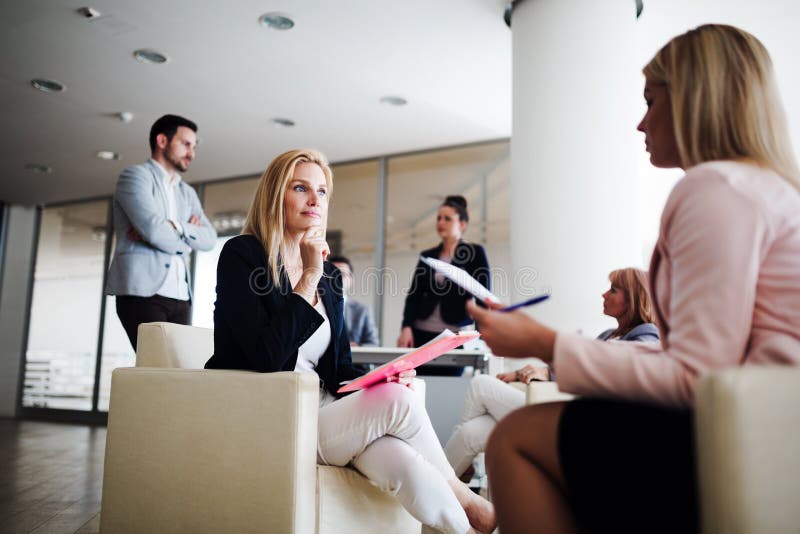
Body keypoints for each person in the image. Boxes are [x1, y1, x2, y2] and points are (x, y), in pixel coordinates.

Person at [467, 25, 800, 534]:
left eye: (650, 100)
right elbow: (707, 361)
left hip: (749, 440)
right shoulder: (770, 190)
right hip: (775, 433)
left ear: (693, 99)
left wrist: (546, 343)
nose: (640, 123)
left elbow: (696, 376)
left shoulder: (715, 188)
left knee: (513, 438)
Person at [204, 149, 495, 534]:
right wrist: (307, 277)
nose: (314, 200)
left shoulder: (329, 276)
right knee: (400, 404)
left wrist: (381, 377)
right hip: (274, 417)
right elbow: (266, 357)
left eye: (322, 192)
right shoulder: (243, 255)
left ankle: (468, 529)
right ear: (276, 195)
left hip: (324, 412)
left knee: (405, 464)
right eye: (301, 188)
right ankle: (468, 497)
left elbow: (339, 366)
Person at [445, 268, 658, 478]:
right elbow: (585, 369)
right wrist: (528, 372)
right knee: (468, 434)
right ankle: (432, 501)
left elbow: (616, 365)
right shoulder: (608, 335)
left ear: (633, 298)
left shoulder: (648, 336)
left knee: (480, 384)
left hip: (579, 425)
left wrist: (547, 346)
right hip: (570, 412)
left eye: (613, 290)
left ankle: (439, 489)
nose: (604, 294)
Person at [105, 114, 217, 350]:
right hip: (142, 292)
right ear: (162, 141)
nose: (192, 153)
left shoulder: (187, 192)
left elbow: (209, 239)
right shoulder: (135, 177)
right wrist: (187, 239)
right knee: (153, 368)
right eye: (186, 144)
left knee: (175, 373)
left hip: (181, 295)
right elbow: (155, 231)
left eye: (194, 146)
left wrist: (177, 227)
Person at [397, 195, 489, 375]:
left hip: (453, 336)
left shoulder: (475, 253)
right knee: (418, 383)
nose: (441, 222)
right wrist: (406, 327)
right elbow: (414, 294)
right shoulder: (428, 255)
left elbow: (483, 296)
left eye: (448, 218)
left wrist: (482, 335)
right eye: (439, 218)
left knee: (450, 386)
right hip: (420, 333)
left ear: (462, 224)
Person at [329, 255, 380, 346]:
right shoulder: (314, 308)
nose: (338, 278)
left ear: (351, 280)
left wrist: (357, 347)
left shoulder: (362, 310)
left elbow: (373, 344)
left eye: (343, 274)